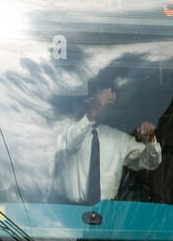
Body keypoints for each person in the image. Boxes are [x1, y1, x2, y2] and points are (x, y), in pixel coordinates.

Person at [54, 69, 161, 204]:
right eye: (99, 102)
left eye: (106, 104)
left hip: (106, 214)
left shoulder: (120, 139)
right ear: (87, 102)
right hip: (65, 211)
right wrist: (93, 112)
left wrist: (151, 140)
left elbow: (150, 163)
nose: (102, 107)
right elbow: (69, 145)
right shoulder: (65, 127)